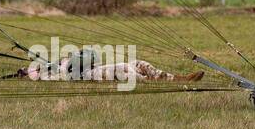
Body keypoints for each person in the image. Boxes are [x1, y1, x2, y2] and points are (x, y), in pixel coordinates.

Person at [15, 51, 203, 83]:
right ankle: (157, 81)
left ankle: (179, 78)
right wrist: (31, 71)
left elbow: (85, 56)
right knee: (125, 70)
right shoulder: (49, 75)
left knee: (138, 63)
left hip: (98, 67)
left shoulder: (56, 64)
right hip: (94, 74)